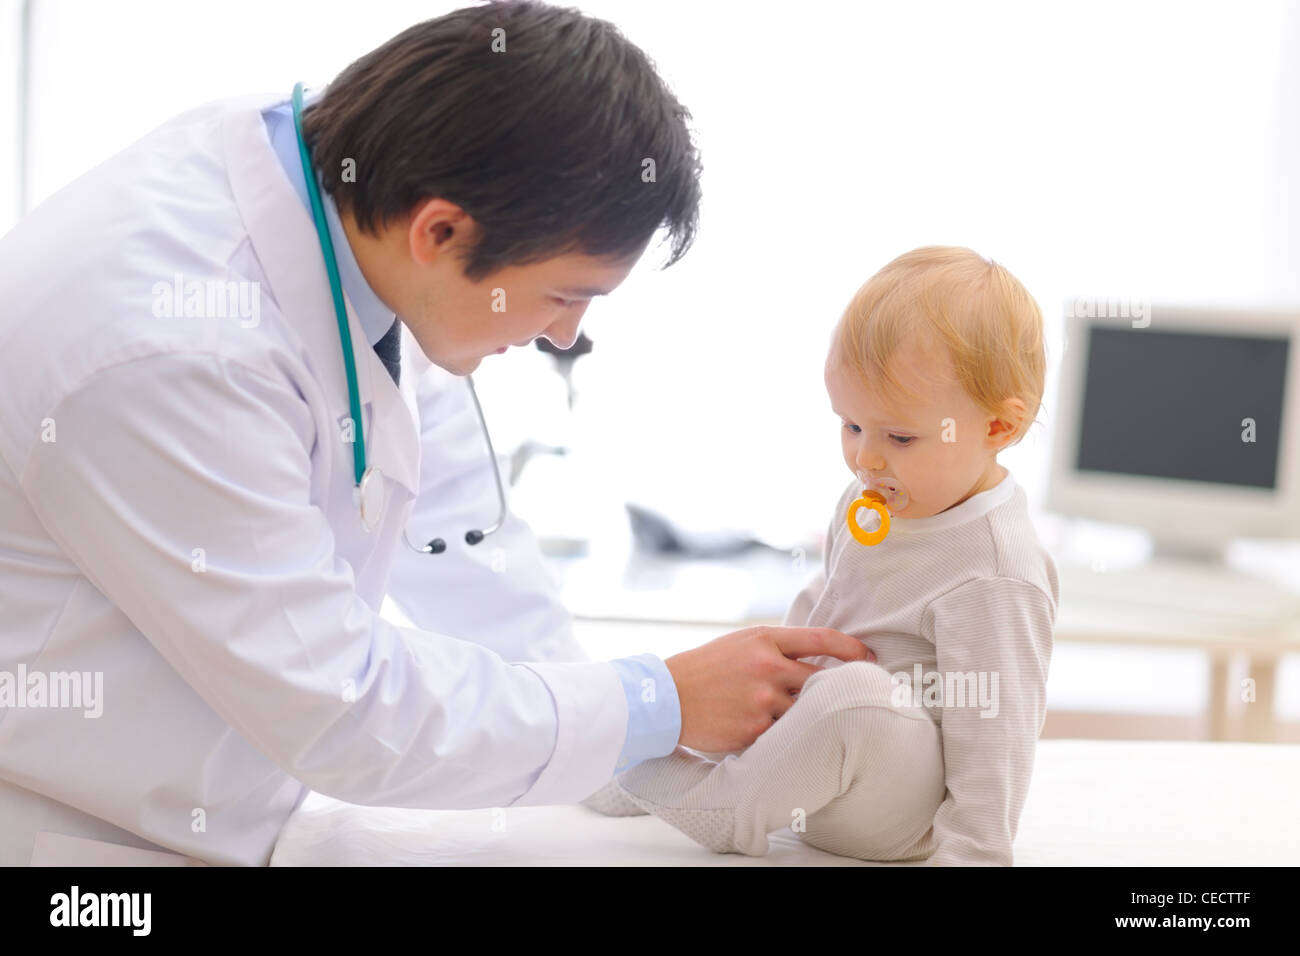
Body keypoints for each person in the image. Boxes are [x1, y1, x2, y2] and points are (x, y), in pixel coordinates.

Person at [0, 0, 871, 866]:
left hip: (226, 794)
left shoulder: (353, 204)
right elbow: (342, 707)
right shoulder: (171, 349)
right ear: (442, 231)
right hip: (75, 830)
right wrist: (653, 702)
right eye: (568, 295)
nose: (566, 336)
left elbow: (457, 528)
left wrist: (623, 733)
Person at [584, 246, 1059, 866]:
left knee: (856, 694)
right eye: (851, 426)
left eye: (900, 436)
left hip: (893, 810)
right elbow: (822, 612)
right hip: (818, 768)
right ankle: (689, 771)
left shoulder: (997, 569)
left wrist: (974, 852)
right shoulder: (874, 495)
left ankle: (720, 809)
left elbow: (997, 727)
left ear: (998, 427)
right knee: (768, 664)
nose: (866, 458)